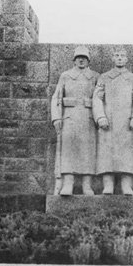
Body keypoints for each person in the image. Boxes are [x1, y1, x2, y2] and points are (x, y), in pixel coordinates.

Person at [50, 46, 100, 196]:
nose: (81, 60)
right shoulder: (65, 76)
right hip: (69, 117)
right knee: (68, 150)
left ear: (88, 60)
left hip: (88, 117)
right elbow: (56, 97)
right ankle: (68, 183)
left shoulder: (95, 76)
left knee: (88, 150)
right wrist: (56, 117)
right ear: (74, 60)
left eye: (84, 58)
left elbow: (100, 98)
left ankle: (87, 185)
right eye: (78, 57)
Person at [93, 49, 133, 195]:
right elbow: (97, 98)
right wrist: (100, 116)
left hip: (127, 122)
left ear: (127, 59)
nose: (120, 58)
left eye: (122, 56)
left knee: (127, 153)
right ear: (112, 58)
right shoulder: (104, 77)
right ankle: (108, 185)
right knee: (106, 153)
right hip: (108, 122)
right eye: (117, 56)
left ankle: (126, 186)